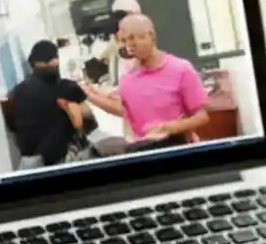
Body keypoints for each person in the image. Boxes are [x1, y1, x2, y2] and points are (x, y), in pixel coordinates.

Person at [81, 14, 209, 149]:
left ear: (151, 36)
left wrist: (170, 128)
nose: (130, 45)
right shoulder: (128, 79)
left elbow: (202, 116)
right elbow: (127, 115)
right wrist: (91, 96)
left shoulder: (181, 70)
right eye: (124, 41)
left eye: (133, 38)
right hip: (145, 152)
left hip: (180, 149)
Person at [9, 40, 89, 167]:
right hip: (61, 163)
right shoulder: (67, 88)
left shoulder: (16, 92)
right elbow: (89, 119)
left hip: (27, 165)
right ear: (55, 61)